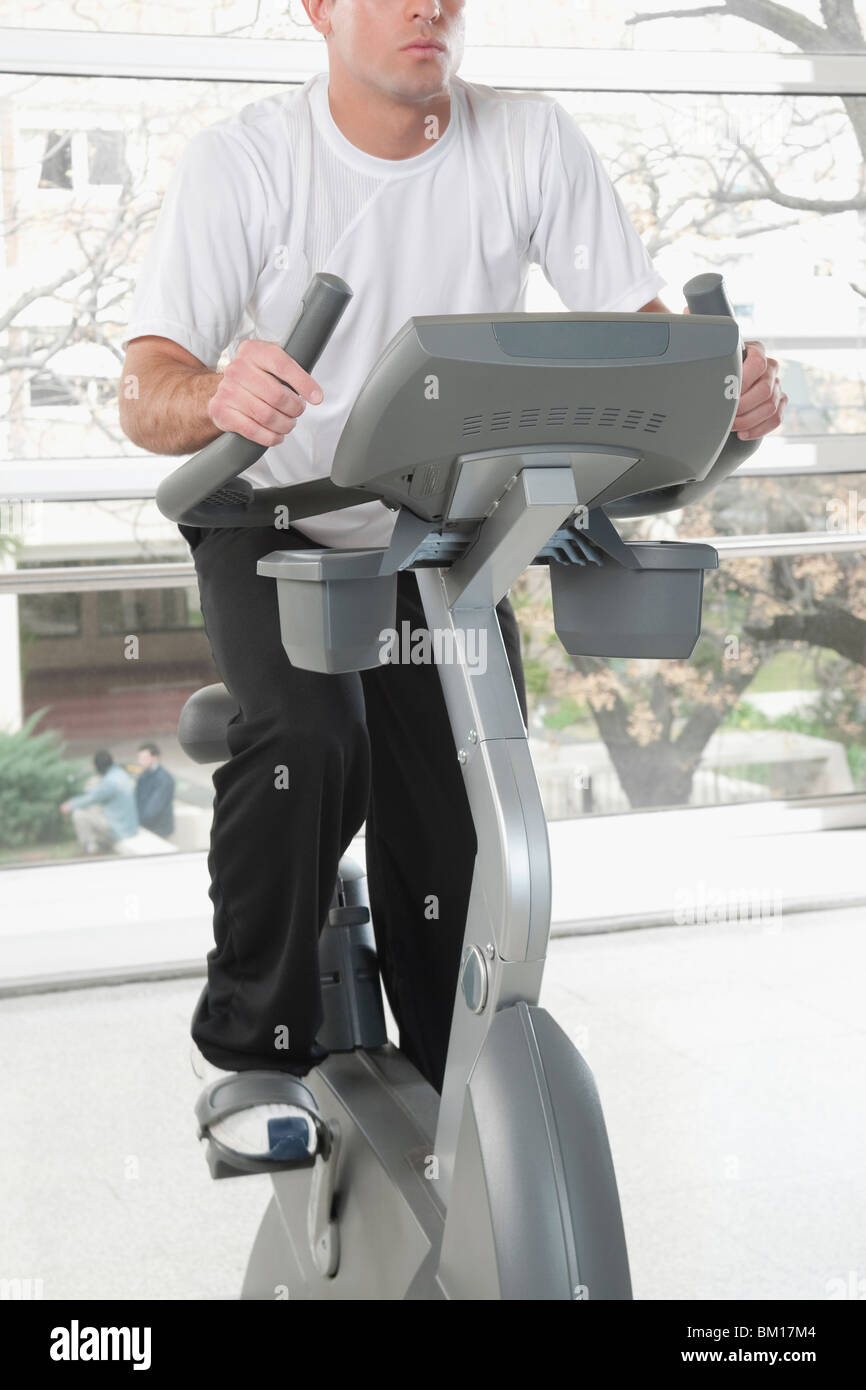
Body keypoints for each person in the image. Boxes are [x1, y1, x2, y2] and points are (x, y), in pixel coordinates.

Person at [118, 0, 787, 1163]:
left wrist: (725, 398)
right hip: (268, 511)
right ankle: (251, 1054)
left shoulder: (526, 140)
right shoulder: (244, 161)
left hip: (434, 518)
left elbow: (647, 346)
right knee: (310, 736)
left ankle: (450, 1049)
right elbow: (146, 385)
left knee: (464, 803)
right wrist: (215, 394)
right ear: (319, 9)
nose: (430, 6)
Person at [61, 750, 139, 855]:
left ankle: (90, 848)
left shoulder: (110, 782)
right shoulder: (120, 773)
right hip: (130, 825)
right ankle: (96, 842)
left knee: (79, 814)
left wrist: (70, 805)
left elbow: (91, 799)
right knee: (93, 810)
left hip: (120, 829)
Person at [134, 742, 176, 839]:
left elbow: (153, 809)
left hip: (159, 830)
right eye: (139, 758)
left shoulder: (164, 779)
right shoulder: (143, 775)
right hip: (147, 826)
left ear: (154, 757)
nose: (139, 762)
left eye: (143, 758)